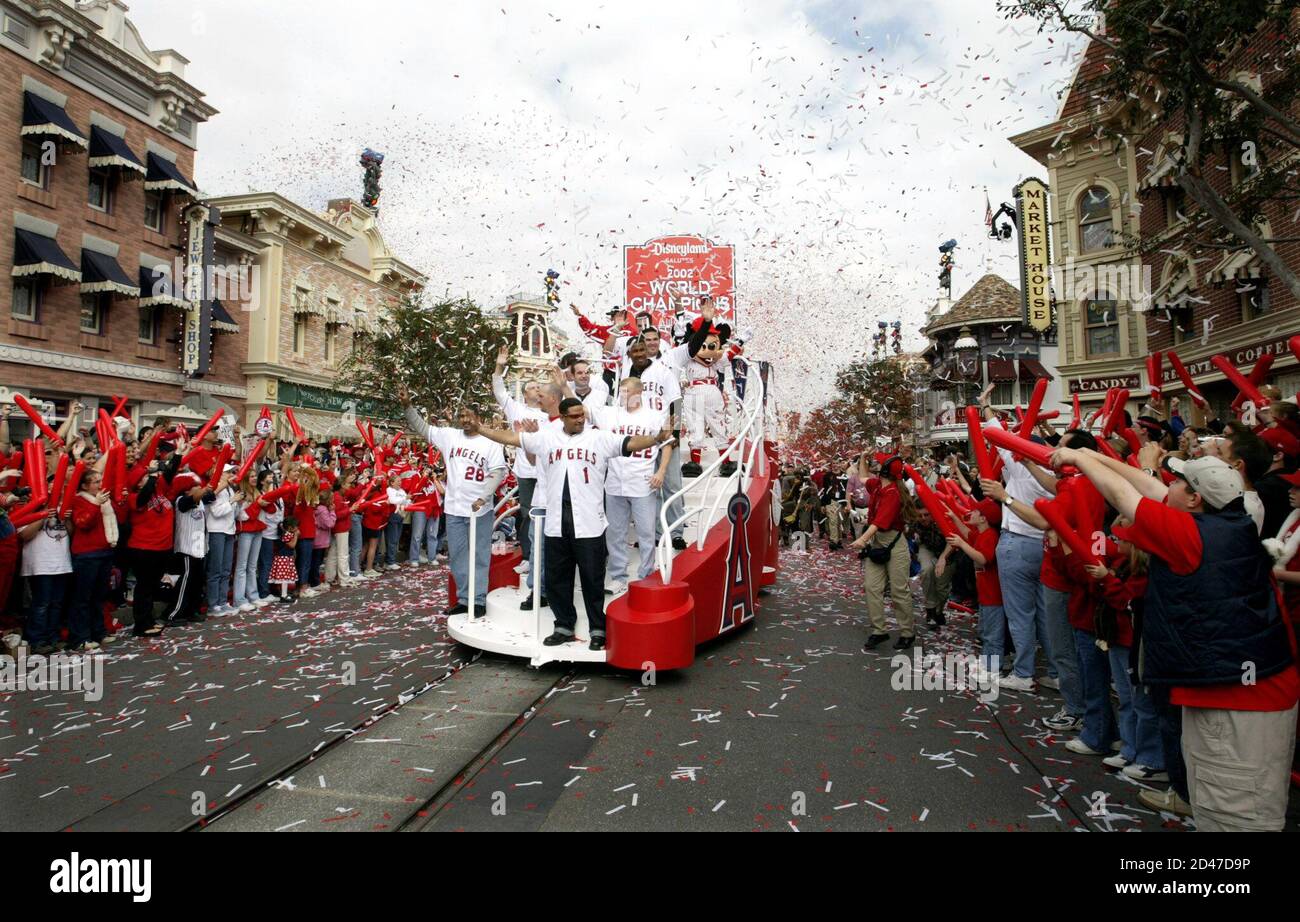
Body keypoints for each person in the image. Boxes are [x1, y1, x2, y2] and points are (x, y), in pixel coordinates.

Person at [1051, 442, 1298, 831]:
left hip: (1237, 701)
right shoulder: (1236, 514)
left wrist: (1080, 459)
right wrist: (1092, 457)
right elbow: (1149, 491)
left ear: (1196, 498)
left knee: (1235, 814)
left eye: (1180, 482)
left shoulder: (1190, 536)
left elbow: (1125, 497)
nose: (1170, 485)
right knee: (1217, 799)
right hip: (1236, 687)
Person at [468, 398, 673, 650]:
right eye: (574, 416)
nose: (580, 419)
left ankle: (598, 629)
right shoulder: (547, 438)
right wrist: (481, 429)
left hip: (589, 523)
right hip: (557, 521)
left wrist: (656, 438)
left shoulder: (599, 438)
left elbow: (629, 442)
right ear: (563, 417)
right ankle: (563, 625)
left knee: (592, 579)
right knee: (557, 579)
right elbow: (512, 438)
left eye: (582, 415)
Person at [400, 385, 507, 616]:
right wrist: (408, 406)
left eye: (469, 415)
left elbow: (498, 472)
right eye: (461, 415)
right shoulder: (449, 435)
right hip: (455, 508)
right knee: (457, 555)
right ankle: (464, 598)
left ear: (478, 417)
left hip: (480, 509)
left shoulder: (490, 442)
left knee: (479, 555)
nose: (464, 419)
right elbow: (422, 427)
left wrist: (484, 496)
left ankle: (478, 600)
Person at [585, 377, 673, 592]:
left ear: (640, 391)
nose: (624, 396)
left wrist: (660, 471)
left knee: (645, 531)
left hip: (643, 481)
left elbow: (668, 445)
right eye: (622, 392)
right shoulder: (611, 414)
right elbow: (584, 411)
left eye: (628, 392)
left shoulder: (654, 416)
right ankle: (618, 576)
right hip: (614, 482)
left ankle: (646, 574)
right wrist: (564, 387)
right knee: (615, 532)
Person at [623, 336, 686, 551]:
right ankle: (651, 533)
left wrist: (675, 432)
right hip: (641, 437)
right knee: (647, 487)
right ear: (629, 353)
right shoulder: (625, 374)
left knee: (671, 483)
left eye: (642, 350)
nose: (640, 354)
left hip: (664, 433)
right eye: (635, 351)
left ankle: (676, 532)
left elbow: (675, 400)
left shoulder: (662, 370)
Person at [850, 453, 918, 650]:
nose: (875, 465)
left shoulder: (893, 494)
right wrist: (862, 458)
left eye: (879, 464)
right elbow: (863, 478)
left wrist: (862, 539)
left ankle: (907, 632)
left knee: (899, 590)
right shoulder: (878, 485)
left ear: (886, 470)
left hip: (893, 542)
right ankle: (879, 630)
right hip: (879, 541)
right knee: (872, 586)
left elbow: (880, 522)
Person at [939, 500, 1002, 678]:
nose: (970, 514)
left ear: (983, 518)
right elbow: (967, 534)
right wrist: (954, 519)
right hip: (985, 593)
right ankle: (987, 663)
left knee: (992, 634)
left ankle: (992, 668)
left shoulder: (990, 535)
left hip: (993, 594)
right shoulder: (981, 533)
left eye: (975, 511)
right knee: (985, 631)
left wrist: (961, 544)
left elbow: (983, 558)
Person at [67, 467, 119, 651]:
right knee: (83, 598)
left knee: (98, 597)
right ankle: (80, 637)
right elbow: (83, 523)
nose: (100, 485)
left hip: (104, 551)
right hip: (87, 554)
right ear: (84, 485)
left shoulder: (104, 500)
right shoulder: (79, 500)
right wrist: (95, 504)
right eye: (96, 482)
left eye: (100, 481)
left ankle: (99, 632)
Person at [19, 506, 72, 655]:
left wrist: (66, 520)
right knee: (41, 604)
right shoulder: (29, 508)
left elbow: (70, 533)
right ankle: (36, 640)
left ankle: (53, 637)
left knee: (57, 604)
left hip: (62, 563)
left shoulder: (63, 506)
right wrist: (42, 516)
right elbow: (24, 535)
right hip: (40, 564)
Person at [205, 468, 237, 615]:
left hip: (230, 530)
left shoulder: (230, 489)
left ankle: (223, 601)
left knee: (226, 570)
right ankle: (213, 604)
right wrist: (232, 501)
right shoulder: (215, 488)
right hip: (216, 531)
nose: (232, 475)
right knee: (215, 569)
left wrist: (237, 502)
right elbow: (216, 512)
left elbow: (233, 513)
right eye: (228, 472)